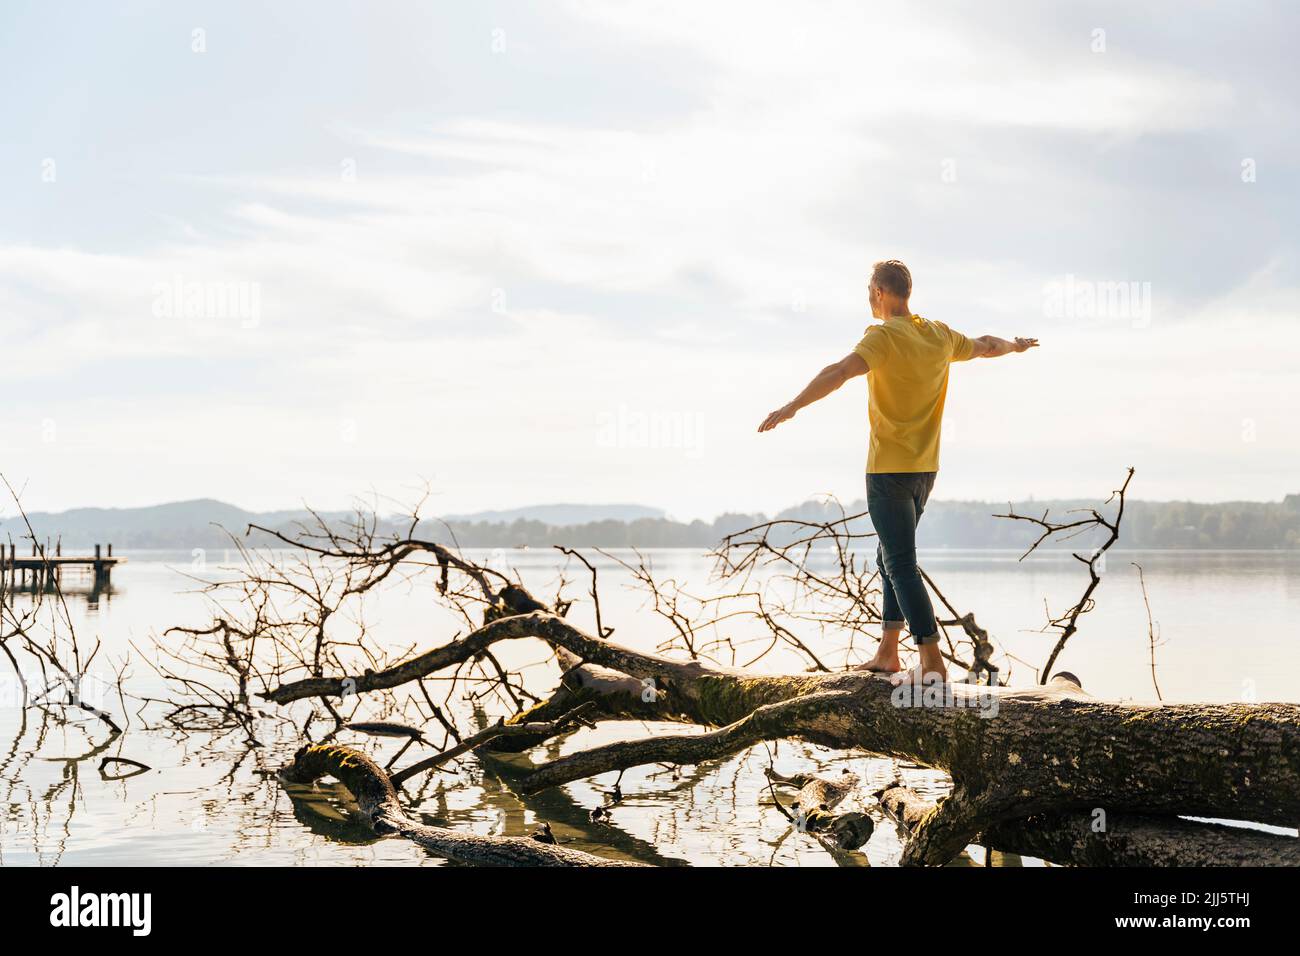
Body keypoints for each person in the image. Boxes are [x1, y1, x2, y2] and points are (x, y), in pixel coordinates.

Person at [757, 259, 1037, 685]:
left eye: (870, 289)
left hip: (888, 471)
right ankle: (888, 652)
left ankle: (931, 661)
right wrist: (1016, 346)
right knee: (888, 555)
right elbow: (985, 345)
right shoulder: (938, 334)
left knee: (900, 560)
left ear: (879, 293)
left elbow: (838, 373)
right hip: (925, 470)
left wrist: (791, 407)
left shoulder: (883, 337)